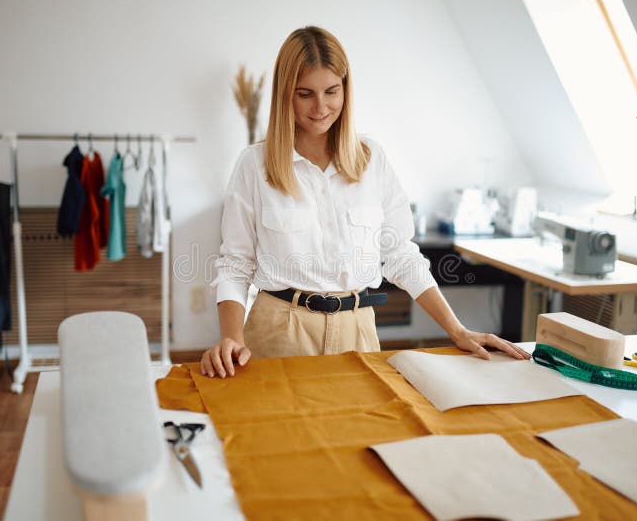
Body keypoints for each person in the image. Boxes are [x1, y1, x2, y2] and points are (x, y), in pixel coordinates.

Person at [202, 26, 529, 378]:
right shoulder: (255, 165)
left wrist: (457, 330)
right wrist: (232, 338)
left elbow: (401, 255)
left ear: (346, 88)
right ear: (285, 94)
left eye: (332, 91)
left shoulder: (372, 159)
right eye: (305, 94)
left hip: (358, 332)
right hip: (279, 331)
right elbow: (235, 264)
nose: (321, 107)